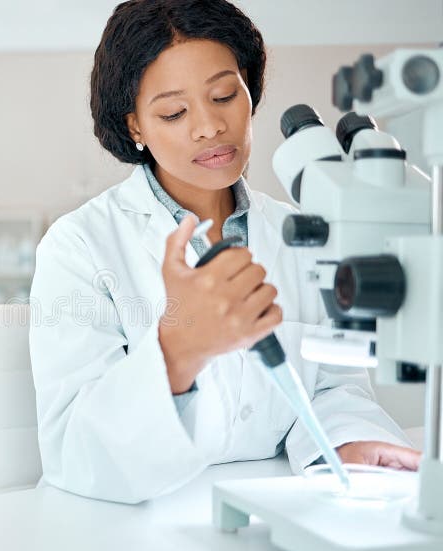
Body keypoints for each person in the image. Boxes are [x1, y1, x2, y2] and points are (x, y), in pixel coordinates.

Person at [28, 0, 420, 504]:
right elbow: (75, 451)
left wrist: (346, 443)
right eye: (174, 112)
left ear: (249, 93)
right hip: (119, 525)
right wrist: (178, 349)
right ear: (135, 128)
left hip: (265, 508)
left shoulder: (300, 233)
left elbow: (333, 386)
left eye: (224, 95)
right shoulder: (78, 245)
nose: (210, 126)